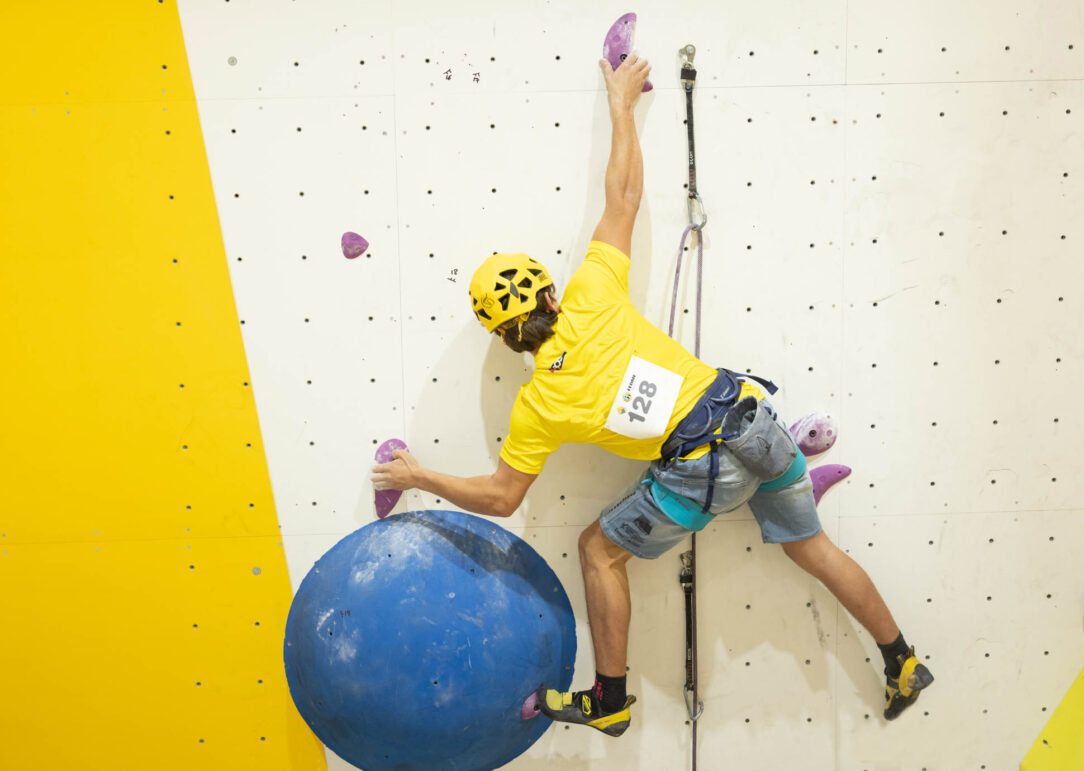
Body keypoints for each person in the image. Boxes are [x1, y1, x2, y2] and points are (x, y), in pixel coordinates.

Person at [371, 52, 933, 737]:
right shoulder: (592, 292)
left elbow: (501, 497)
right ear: (550, 291)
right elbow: (624, 198)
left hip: (701, 461)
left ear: (505, 337)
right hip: (753, 415)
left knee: (598, 550)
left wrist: (416, 473)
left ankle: (608, 697)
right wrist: (621, 104)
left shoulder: (539, 406)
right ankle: (902, 658)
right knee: (809, 544)